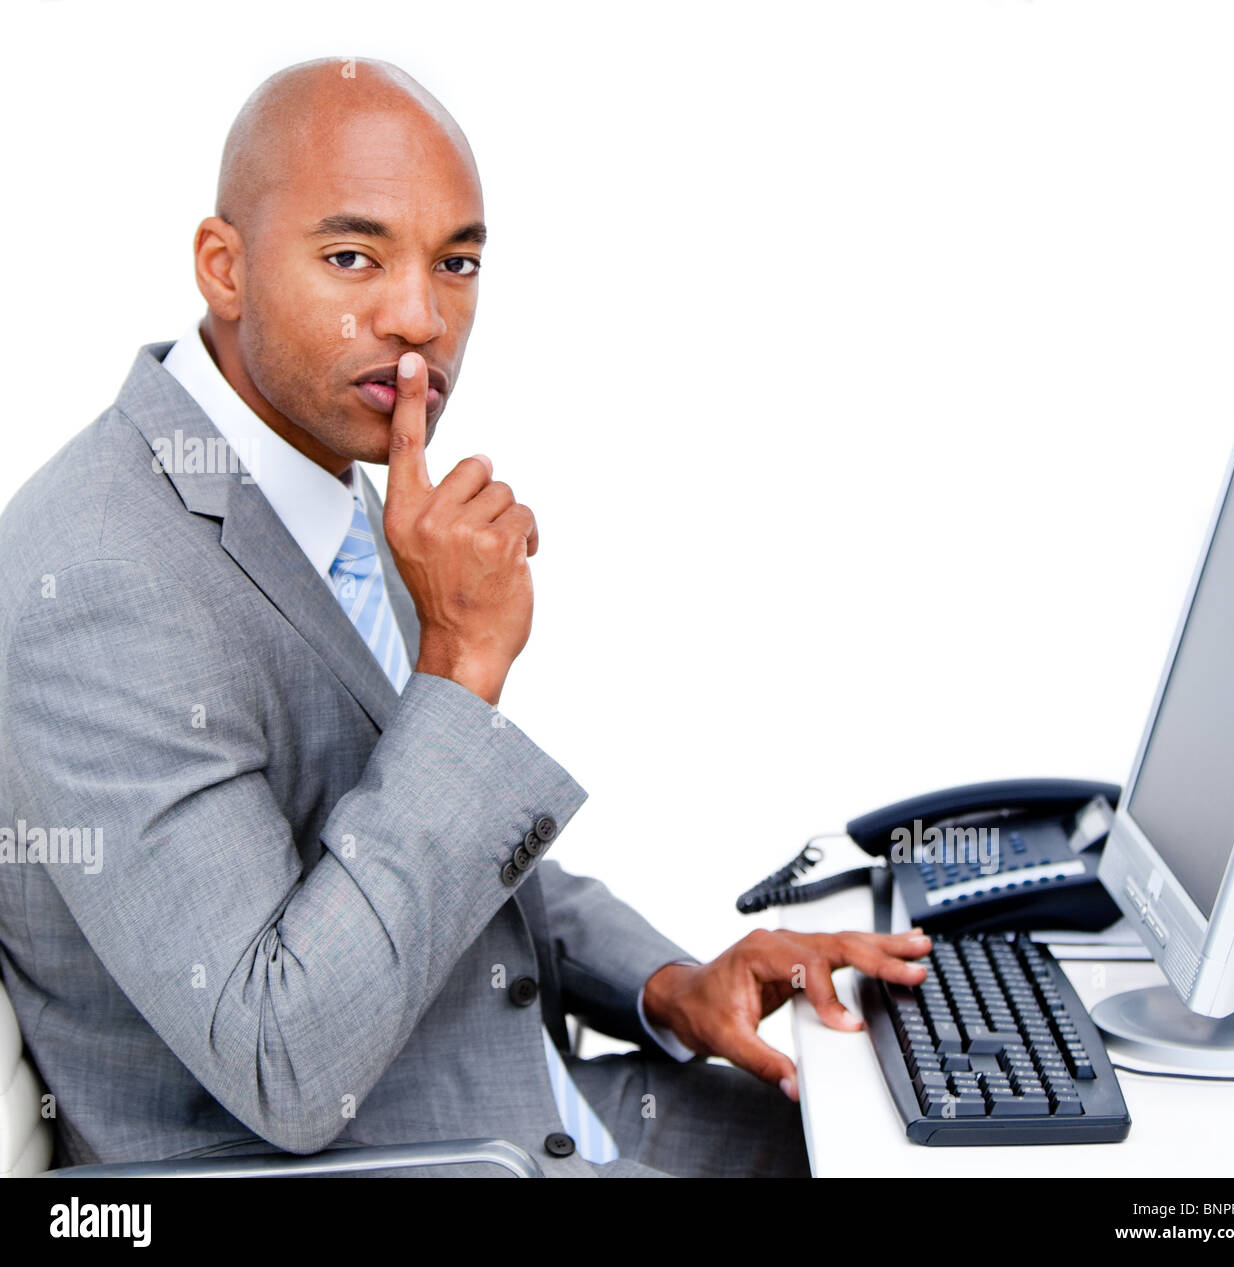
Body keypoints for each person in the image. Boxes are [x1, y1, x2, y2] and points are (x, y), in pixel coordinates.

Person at [0, 57, 930, 1177]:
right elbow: (279, 1058)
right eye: (353, 256)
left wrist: (666, 986)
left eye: (457, 263)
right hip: (407, 1158)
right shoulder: (100, 576)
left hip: (530, 1092)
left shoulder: (318, 466)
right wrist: (459, 666)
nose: (420, 318)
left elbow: (438, 852)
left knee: (908, 1140)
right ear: (224, 267)